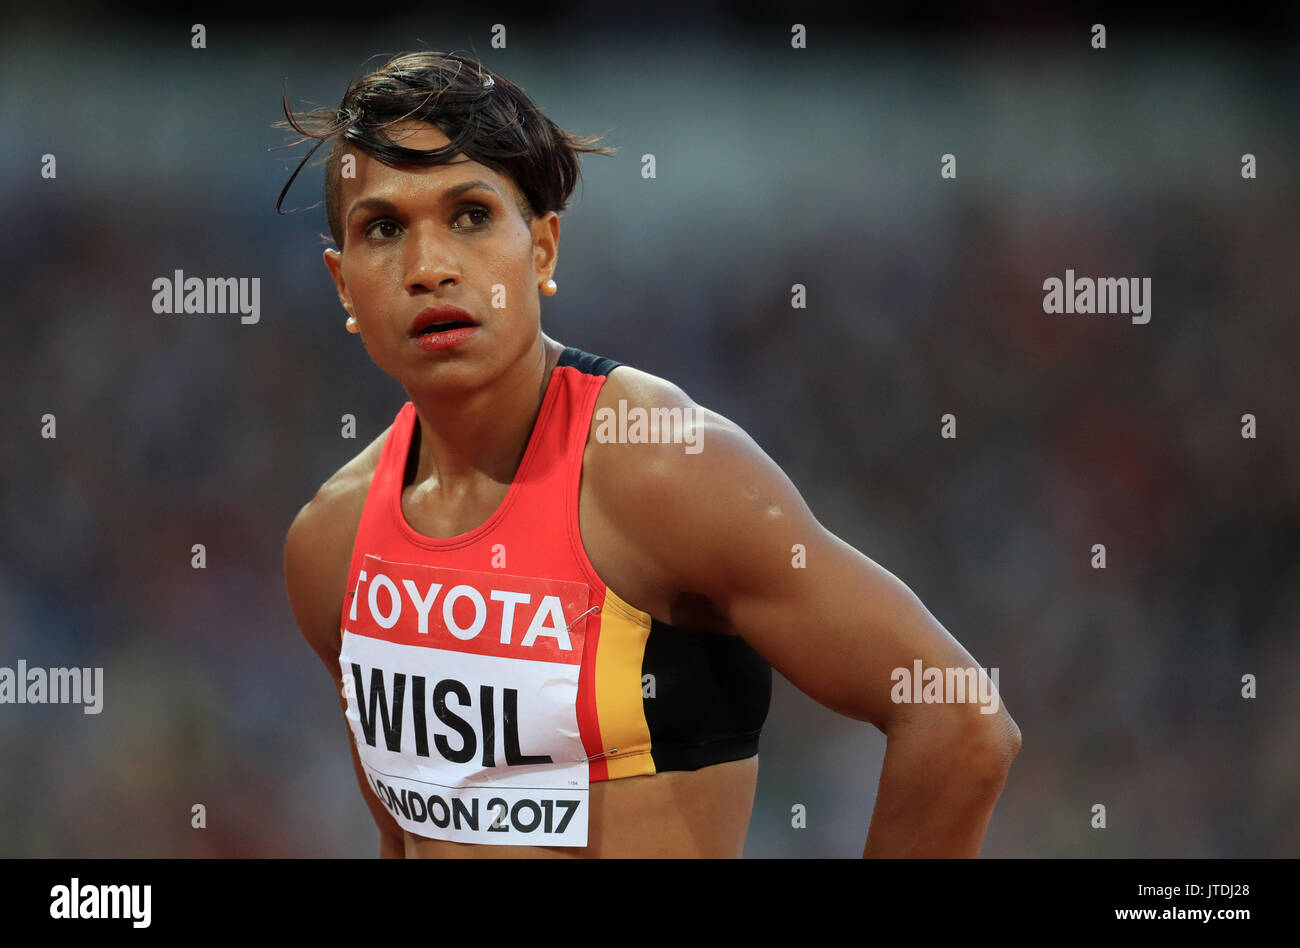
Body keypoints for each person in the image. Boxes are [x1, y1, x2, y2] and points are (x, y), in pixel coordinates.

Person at [280, 51, 1020, 858]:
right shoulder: (330, 547)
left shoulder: (661, 467)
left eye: (470, 215)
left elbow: (959, 720)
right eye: (383, 229)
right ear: (344, 284)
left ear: (543, 249)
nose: (429, 269)